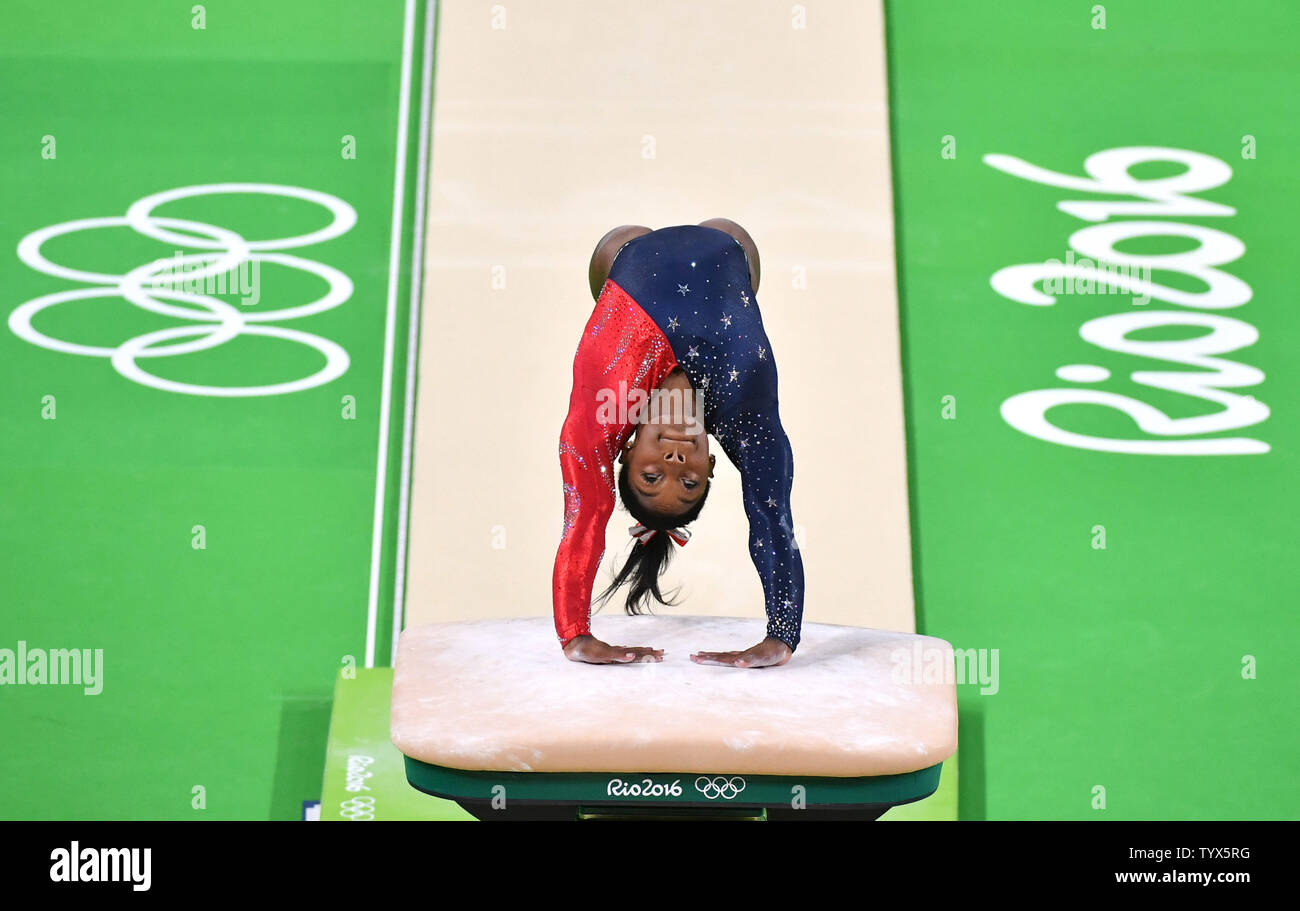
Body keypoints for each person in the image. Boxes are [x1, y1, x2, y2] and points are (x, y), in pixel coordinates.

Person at [553, 219, 804, 668]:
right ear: (711, 463)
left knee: (615, 249)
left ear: (625, 453)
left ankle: (631, 255)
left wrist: (575, 634)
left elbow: (585, 514)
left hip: (623, 255)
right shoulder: (742, 409)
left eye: (652, 477)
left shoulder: (606, 406)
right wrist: (782, 634)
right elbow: (772, 515)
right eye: (688, 482)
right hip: (729, 249)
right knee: (731, 238)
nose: (674, 459)